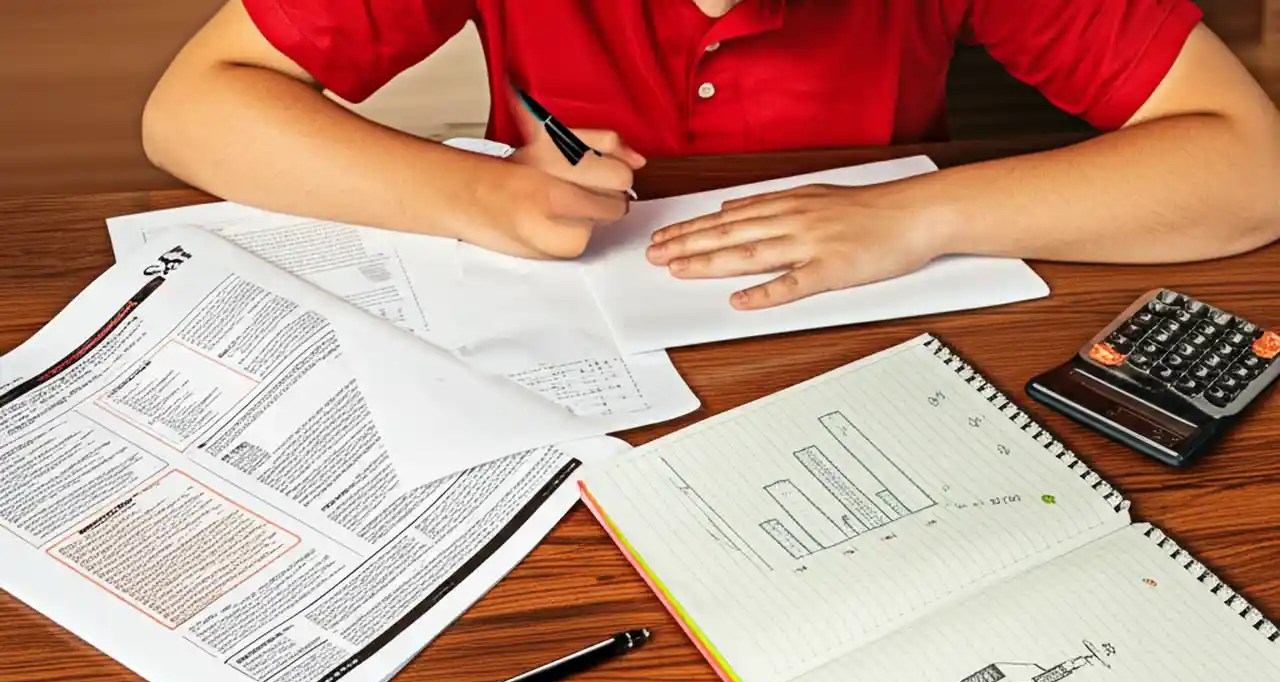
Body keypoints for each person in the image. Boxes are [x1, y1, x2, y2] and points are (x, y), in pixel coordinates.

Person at [143, 1, 1280, 310]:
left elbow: (1247, 173)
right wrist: (476, 193)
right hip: (561, 312)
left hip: (872, 309)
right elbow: (194, 110)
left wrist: (914, 216)